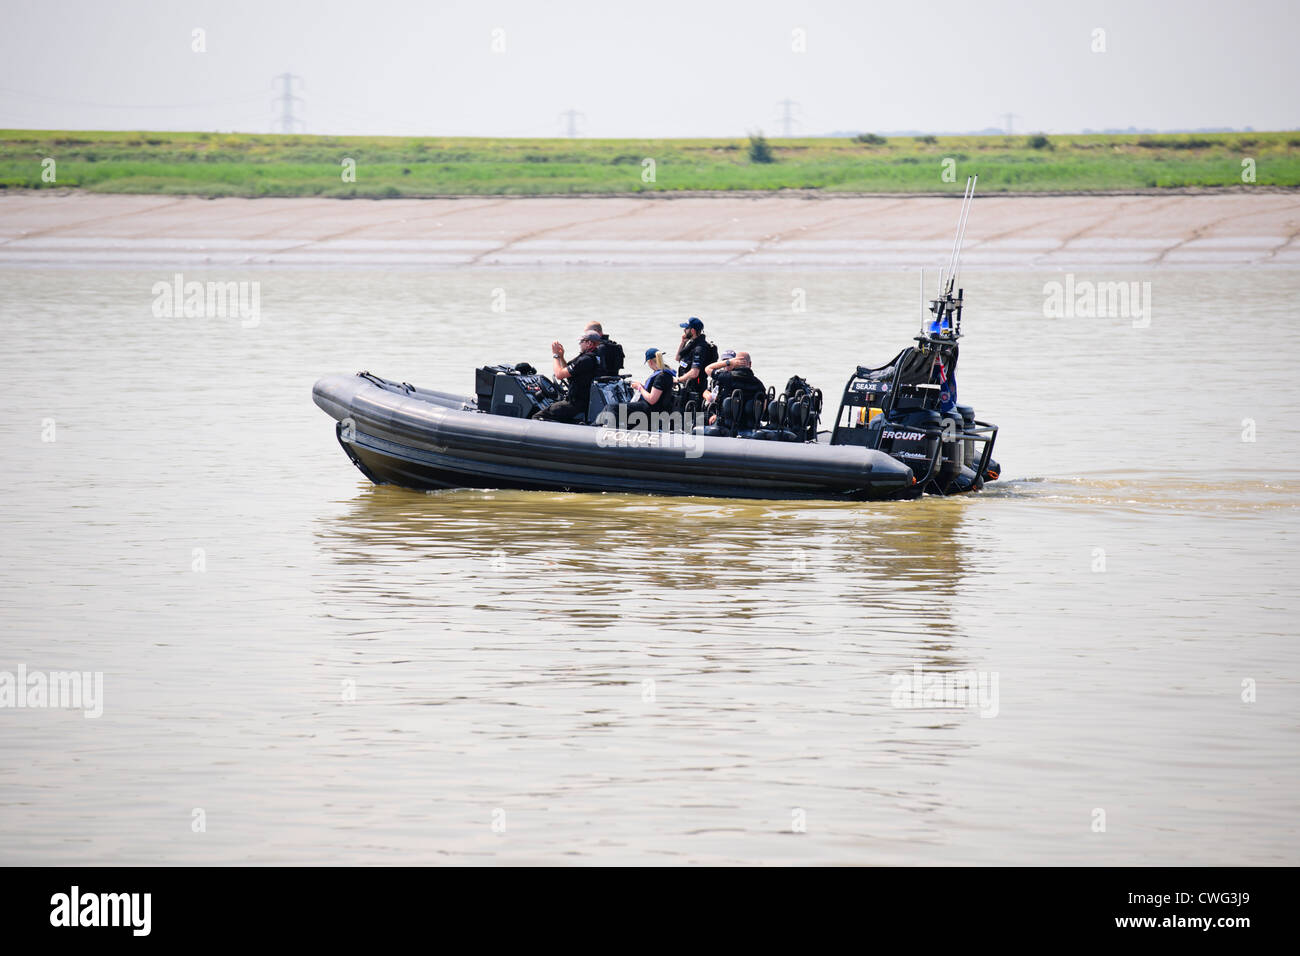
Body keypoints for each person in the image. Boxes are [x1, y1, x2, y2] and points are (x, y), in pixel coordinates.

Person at [539, 331, 601, 423]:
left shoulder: (586, 360)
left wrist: (555, 356)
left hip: (574, 404)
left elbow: (559, 375)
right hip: (584, 402)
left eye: (581, 342)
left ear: (589, 343)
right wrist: (561, 357)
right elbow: (567, 371)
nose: (580, 344)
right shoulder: (595, 357)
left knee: (538, 416)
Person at [703, 351, 766, 427]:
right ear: (750, 364)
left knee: (696, 415)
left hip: (726, 424)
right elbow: (763, 406)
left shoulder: (726, 377)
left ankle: (690, 434)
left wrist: (728, 362)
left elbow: (707, 369)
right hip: (748, 425)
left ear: (735, 362)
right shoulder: (759, 384)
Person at [626, 348, 676, 426]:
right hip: (657, 408)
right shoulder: (665, 374)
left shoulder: (661, 376)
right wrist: (643, 387)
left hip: (652, 409)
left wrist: (639, 387)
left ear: (650, 362)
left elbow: (652, 399)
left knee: (613, 407)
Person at [674, 317, 717, 405]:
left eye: (686, 328)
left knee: (691, 416)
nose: (684, 331)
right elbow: (678, 358)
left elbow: (695, 373)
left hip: (695, 388)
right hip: (686, 387)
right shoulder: (691, 343)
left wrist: (678, 380)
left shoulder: (699, 348)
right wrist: (683, 342)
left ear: (692, 331)